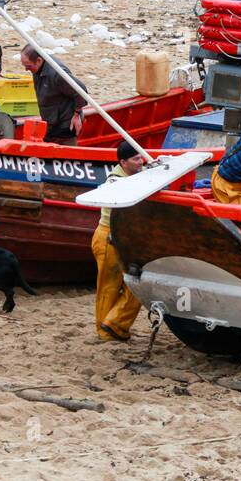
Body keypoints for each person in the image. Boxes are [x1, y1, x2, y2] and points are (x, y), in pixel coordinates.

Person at [92, 140, 146, 341]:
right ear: (123, 162)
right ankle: (107, 330)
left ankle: (113, 325)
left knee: (136, 284)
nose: (141, 161)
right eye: (136, 158)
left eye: (141, 157)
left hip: (122, 238)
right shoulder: (116, 182)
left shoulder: (133, 175)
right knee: (109, 287)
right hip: (109, 237)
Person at [21, 46, 88, 144]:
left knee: (65, 154)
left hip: (65, 125)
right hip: (50, 123)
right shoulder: (37, 68)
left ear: (39, 60)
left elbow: (81, 91)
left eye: (28, 66)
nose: (26, 69)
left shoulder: (57, 74)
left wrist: (77, 114)